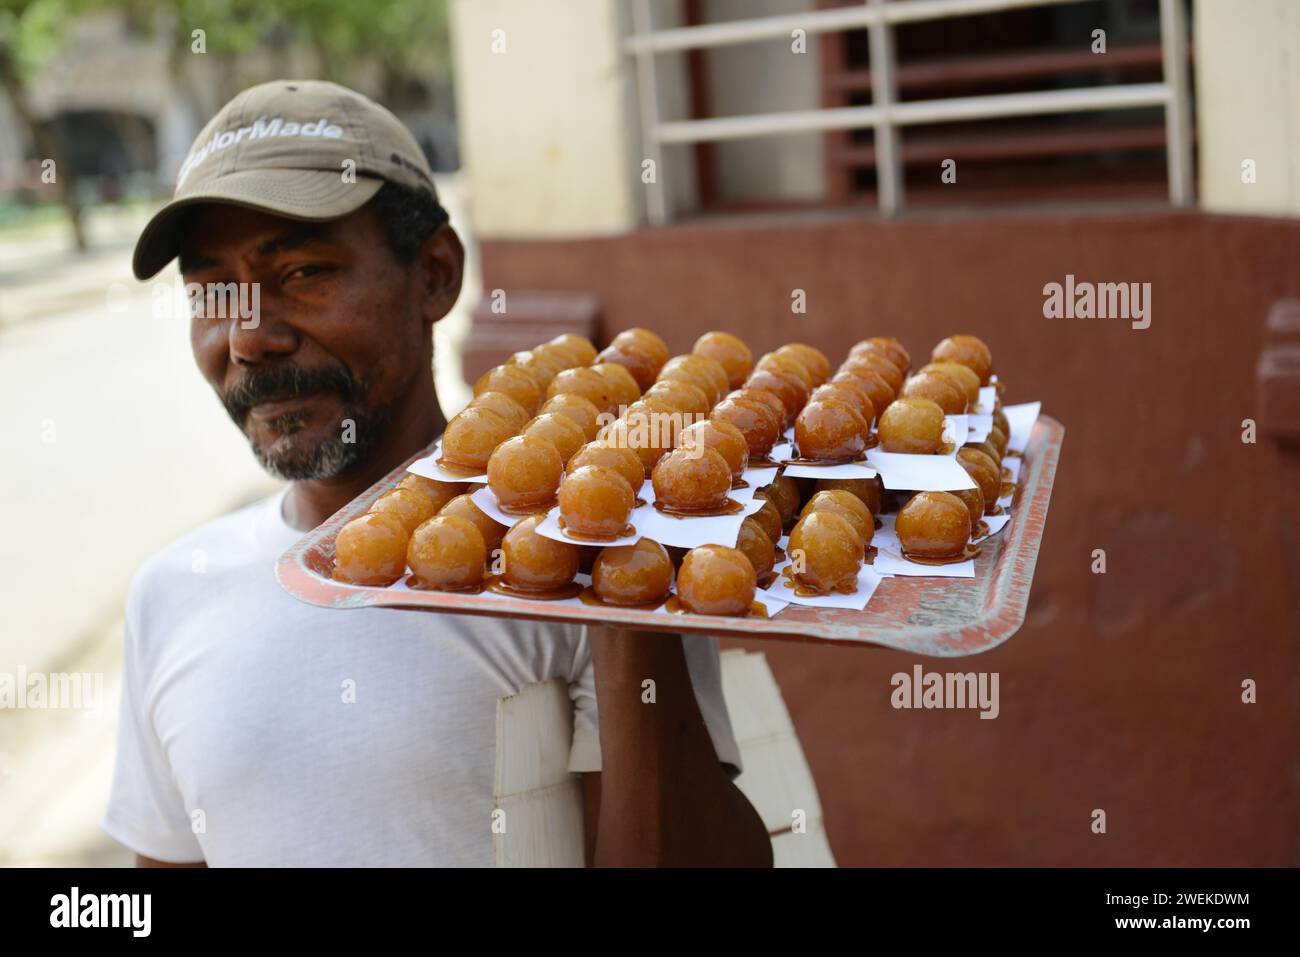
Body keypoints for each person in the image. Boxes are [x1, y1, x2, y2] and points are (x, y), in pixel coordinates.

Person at [104, 80, 771, 867]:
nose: (248, 339)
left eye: (304, 273)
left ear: (436, 275)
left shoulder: (571, 556)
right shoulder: (173, 593)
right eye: (215, 290)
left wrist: (621, 603)